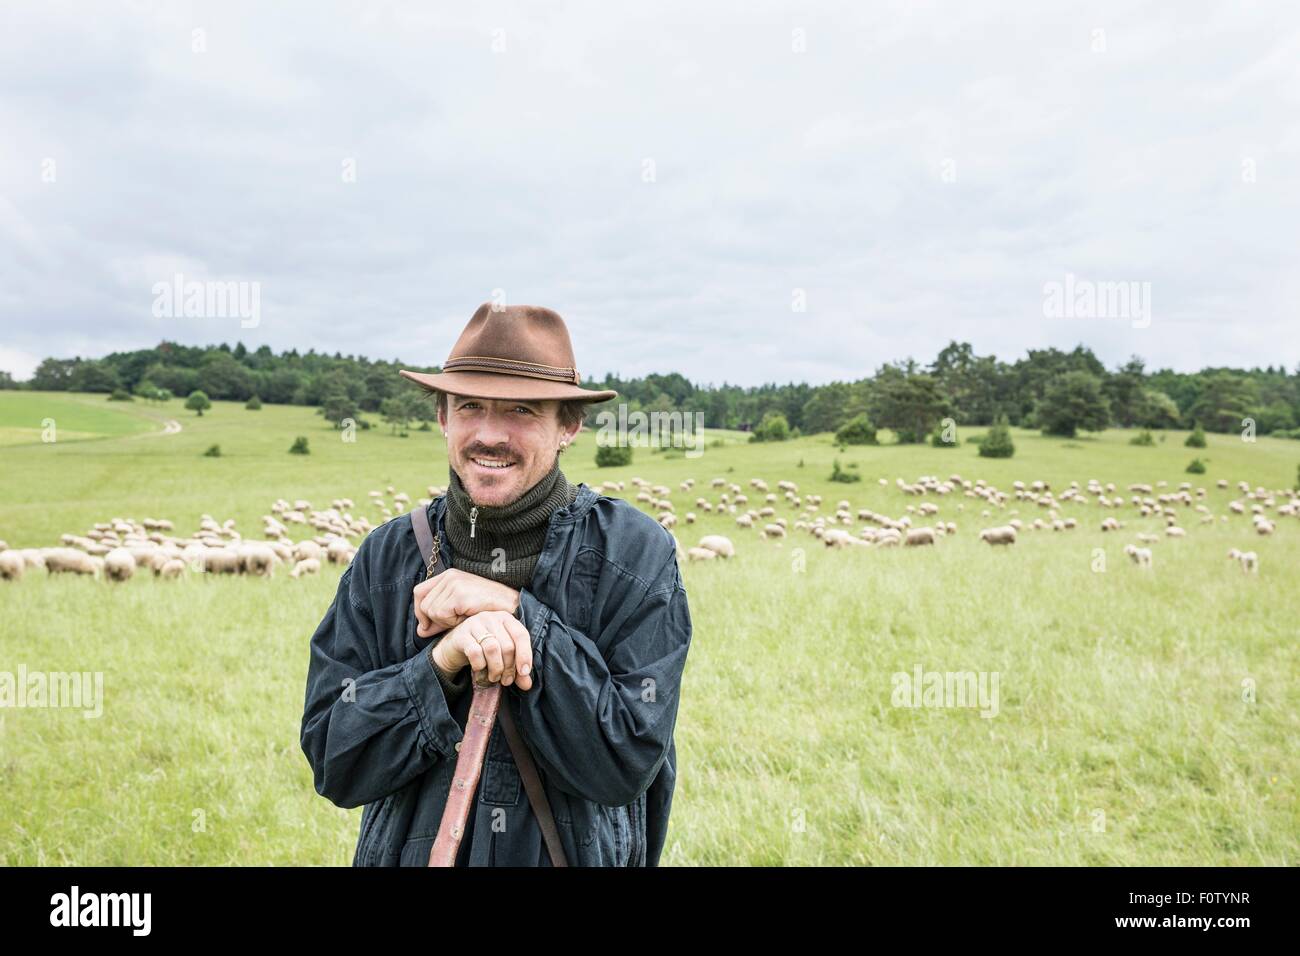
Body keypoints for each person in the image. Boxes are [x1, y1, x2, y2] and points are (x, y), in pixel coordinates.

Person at [300, 301, 693, 866]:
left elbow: (623, 760)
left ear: (569, 426)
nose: (490, 434)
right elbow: (335, 758)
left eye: (523, 410)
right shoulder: (385, 560)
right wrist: (440, 666)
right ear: (443, 416)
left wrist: (517, 613)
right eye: (470, 407)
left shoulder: (632, 554)